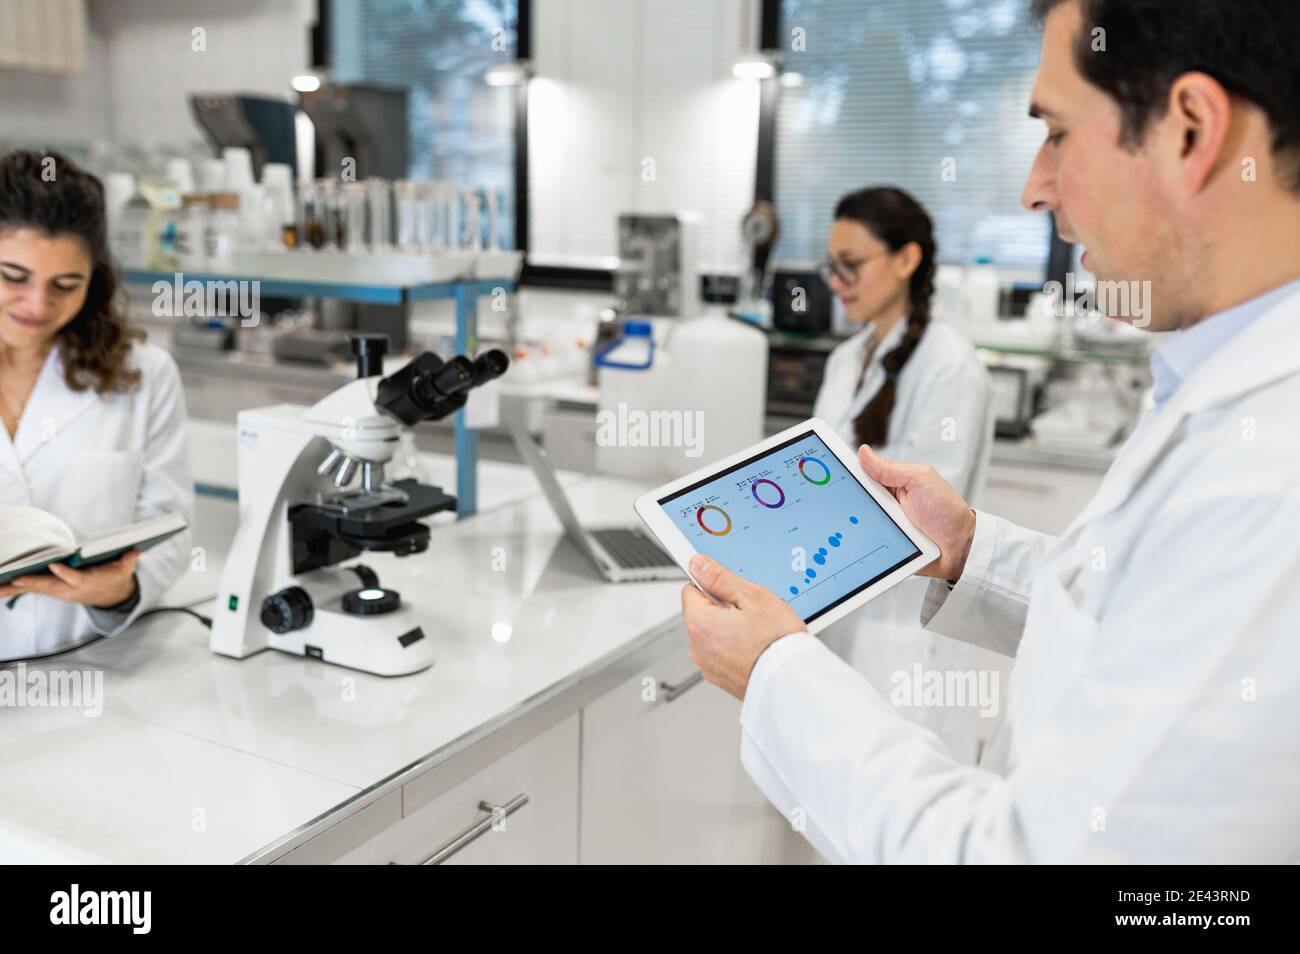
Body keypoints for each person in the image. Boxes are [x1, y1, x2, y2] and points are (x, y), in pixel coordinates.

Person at [680, 0, 1300, 862]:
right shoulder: (1221, 385)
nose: (1032, 188)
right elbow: (1130, 603)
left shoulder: (1270, 475)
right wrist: (971, 549)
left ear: (1190, 130)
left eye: (1056, 132)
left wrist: (776, 675)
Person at [812, 186, 1000, 764]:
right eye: (831, 266)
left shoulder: (951, 367)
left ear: (906, 259)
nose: (837, 281)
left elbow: (921, 521)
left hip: (909, 631)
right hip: (842, 606)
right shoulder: (847, 359)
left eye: (852, 265)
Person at [0, 151, 194, 661]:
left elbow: (169, 528)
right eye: (12, 276)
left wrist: (118, 591)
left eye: (66, 285)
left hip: (89, 666)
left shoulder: (145, 374)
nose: (38, 305)